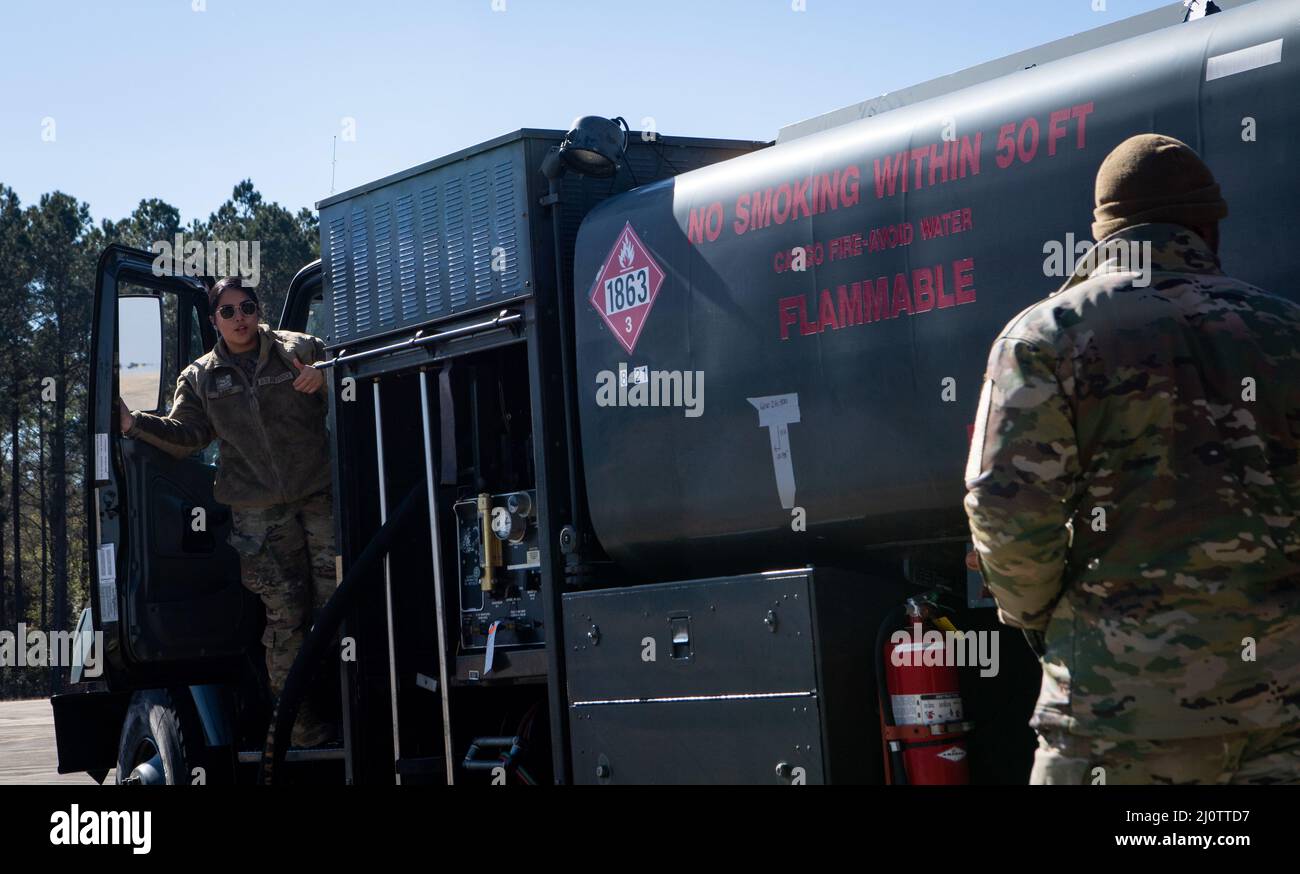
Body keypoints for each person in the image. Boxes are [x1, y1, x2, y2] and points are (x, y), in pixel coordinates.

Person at [963, 134, 1300, 784]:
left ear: (1104, 231)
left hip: (1114, 716)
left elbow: (1005, 509)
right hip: (1278, 715)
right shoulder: (1286, 332)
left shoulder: (1044, 337)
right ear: (1208, 228)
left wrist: (1049, 622)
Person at [119, 276, 339, 748]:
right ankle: (298, 728)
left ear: (259, 310)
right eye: (228, 311)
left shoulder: (299, 348)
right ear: (216, 320)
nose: (240, 318)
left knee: (338, 607)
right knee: (286, 622)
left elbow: (356, 381)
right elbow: (187, 434)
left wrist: (326, 377)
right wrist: (134, 424)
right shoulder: (201, 377)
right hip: (259, 519)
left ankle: (352, 705)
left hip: (320, 499)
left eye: (247, 307)